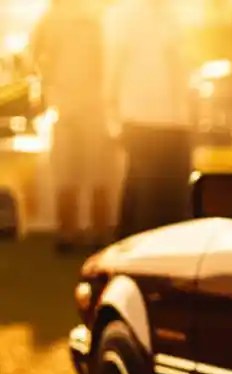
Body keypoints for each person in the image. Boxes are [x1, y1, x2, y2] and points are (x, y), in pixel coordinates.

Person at [104, 0, 194, 239]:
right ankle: (133, 250)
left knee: (174, 194)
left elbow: (182, 65)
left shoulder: (175, 14)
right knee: (145, 193)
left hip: (177, 120)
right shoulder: (123, 15)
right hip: (142, 118)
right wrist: (112, 115)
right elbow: (113, 68)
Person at [31, 0, 112, 251]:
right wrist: (47, 83)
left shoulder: (96, 13)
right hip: (68, 105)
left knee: (95, 171)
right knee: (67, 171)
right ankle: (69, 232)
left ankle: (96, 232)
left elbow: (108, 55)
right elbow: (35, 53)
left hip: (91, 104)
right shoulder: (54, 16)